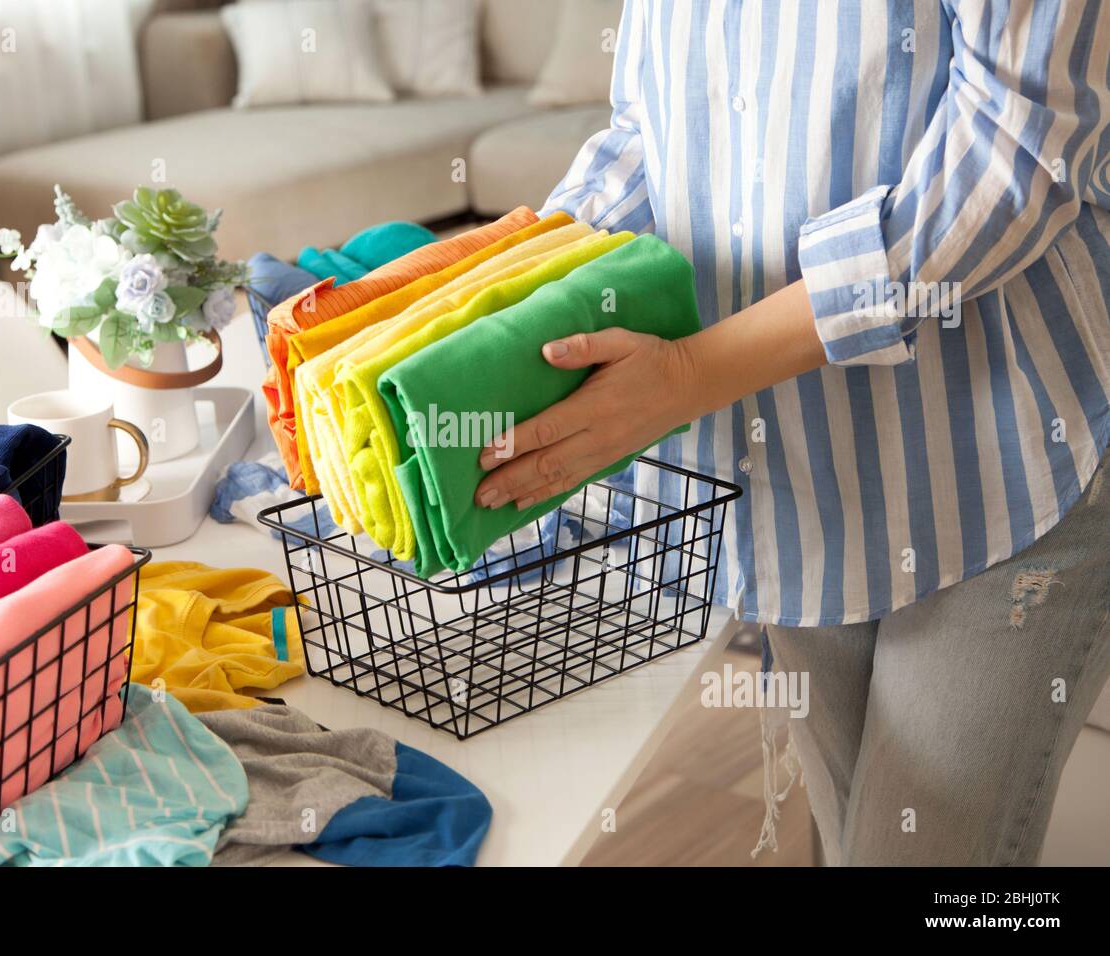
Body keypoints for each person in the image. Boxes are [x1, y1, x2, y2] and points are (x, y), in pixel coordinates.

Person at [476, 0, 1110, 865]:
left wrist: (692, 376)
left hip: (1007, 457)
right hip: (802, 483)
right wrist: (504, 299)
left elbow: (1017, 153)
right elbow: (647, 127)